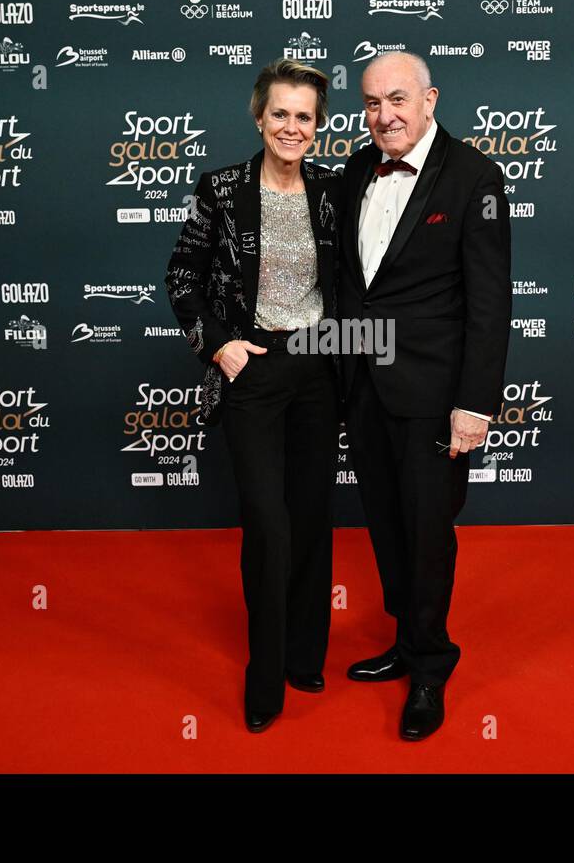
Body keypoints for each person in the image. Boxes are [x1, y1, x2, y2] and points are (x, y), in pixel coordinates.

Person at [165, 59, 343, 733]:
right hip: (252, 369)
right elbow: (181, 274)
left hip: (318, 368)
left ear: (317, 127)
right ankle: (265, 671)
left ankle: (304, 655)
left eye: (304, 117)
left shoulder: (333, 188)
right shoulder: (221, 188)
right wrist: (218, 343)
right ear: (259, 117)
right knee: (268, 525)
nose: (291, 127)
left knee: (310, 518)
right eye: (280, 114)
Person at [337, 51, 511, 740]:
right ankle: (406, 643)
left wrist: (475, 403)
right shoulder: (355, 167)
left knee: (429, 532)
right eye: (373, 102)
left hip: (437, 396)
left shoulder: (474, 176)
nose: (385, 115)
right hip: (365, 387)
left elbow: (490, 301)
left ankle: (432, 667)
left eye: (399, 99)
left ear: (431, 99)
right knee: (386, 525)